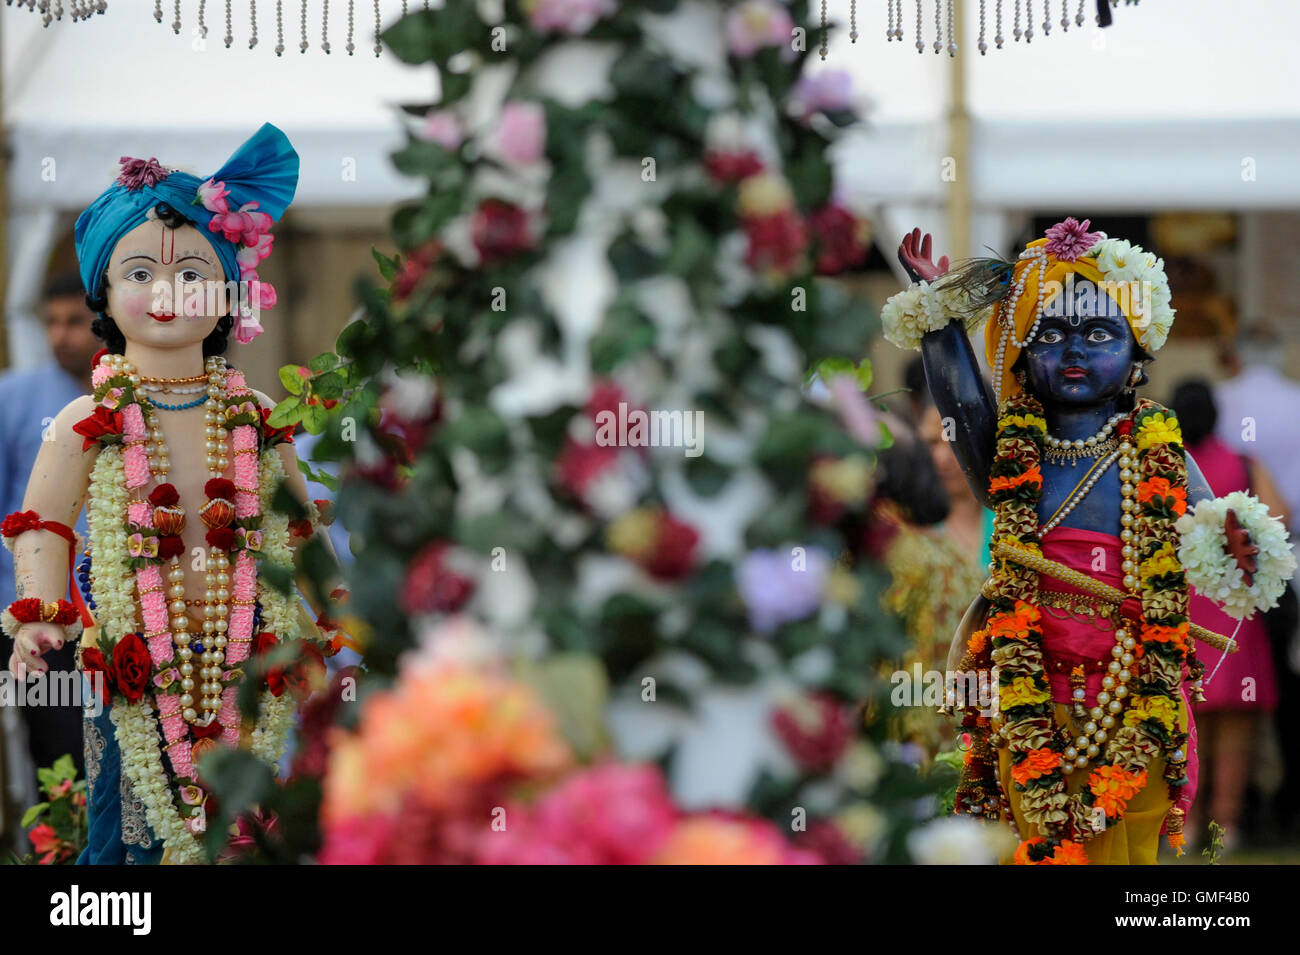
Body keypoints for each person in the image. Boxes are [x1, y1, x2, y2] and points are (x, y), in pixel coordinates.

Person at [879, 220, 1292, 865]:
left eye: (1098, 334)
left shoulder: (1158, 454)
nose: (1074, 351)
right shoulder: (1011, 451)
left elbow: (1225, 539)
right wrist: (938, 315)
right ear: (1020, 353)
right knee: (1037, 835)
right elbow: (960, 403)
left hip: (1135, 698)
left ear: (1137, 353)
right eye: (1052, 334)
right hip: (1029, 690)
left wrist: (1246, 547)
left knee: (1134, 846)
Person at [2, 124, 345, 864]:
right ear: (103, 290)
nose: (167, 292)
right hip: (133, 670)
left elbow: (298, 527)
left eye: (192, 274)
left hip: (250, 664)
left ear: (227, 292)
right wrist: (37, 613)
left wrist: (336, 609)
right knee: (129, 831)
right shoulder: (85, 418)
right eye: (140, 275)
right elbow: (45, 522)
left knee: (249, 830)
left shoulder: (253, 414)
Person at [1170, 379, 1283, 852]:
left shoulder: (1165, 467)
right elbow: (1278, 518)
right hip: (1234, 613)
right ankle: (1226, 829)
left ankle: (1186, 828)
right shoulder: (1241, 462)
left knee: (1182, 726)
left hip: (1178, 614)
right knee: (1234, 729)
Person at [0, 273, 99, 794]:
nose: (61, 336)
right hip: (41, 619)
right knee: (62, 761)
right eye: (52, 323)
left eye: (75, 322)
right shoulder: (13, 397)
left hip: (124, 615)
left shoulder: (138, 399)